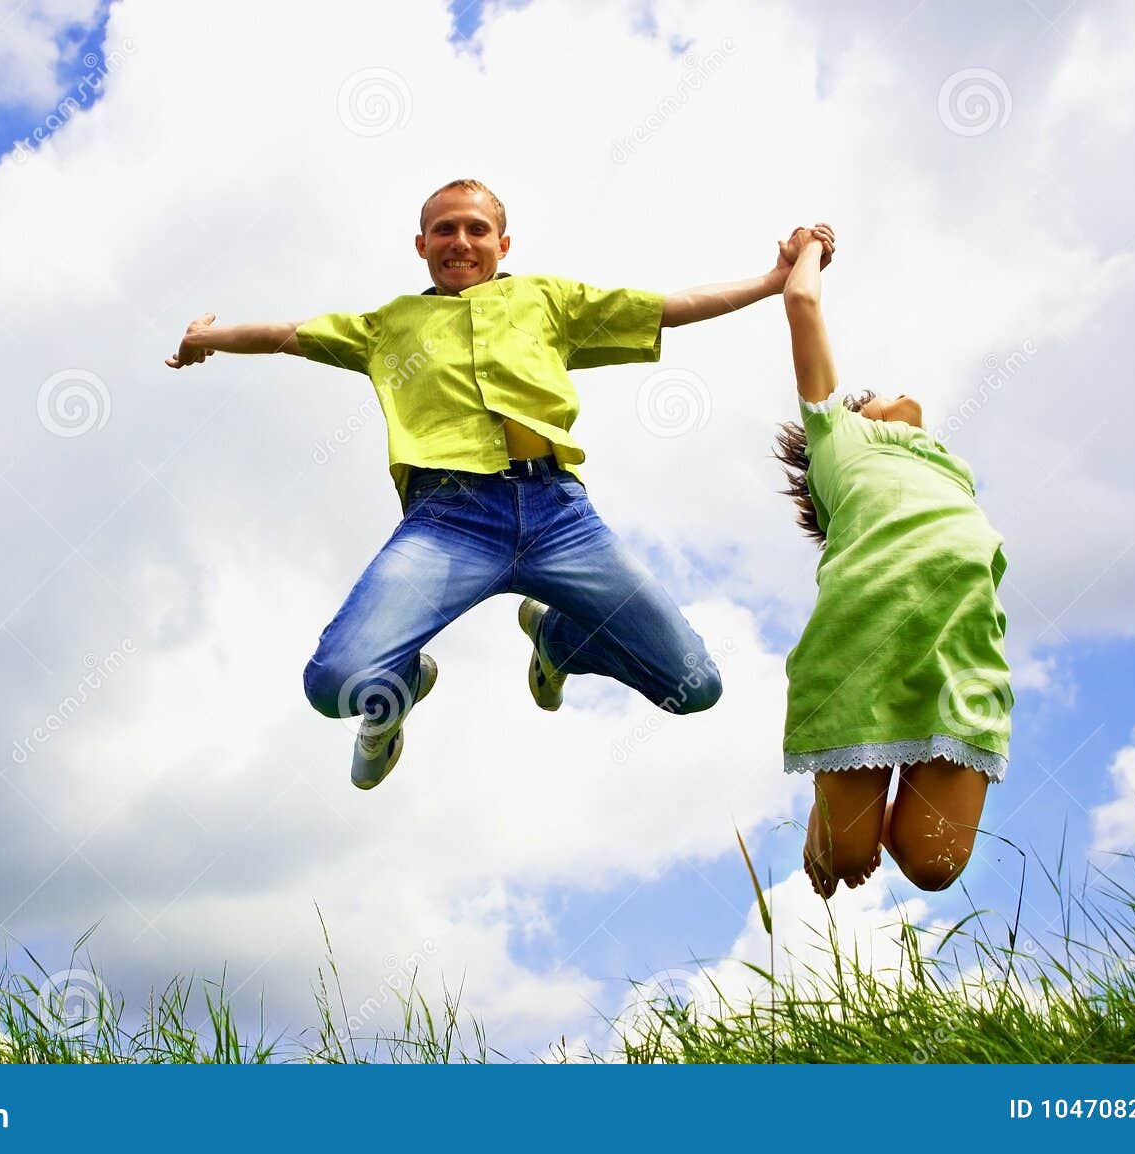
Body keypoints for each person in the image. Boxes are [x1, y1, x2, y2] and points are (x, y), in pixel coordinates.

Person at [167, 178, 798, 789]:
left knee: (695, 685)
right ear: (421, 245)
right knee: (334, 683)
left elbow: (670, 307)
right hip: (450, 521)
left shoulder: (548, 300)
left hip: (559, 518)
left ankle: (558, 640)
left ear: (503, 244)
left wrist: (772, 282)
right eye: (445, 230)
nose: (460, 241)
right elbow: (286, 336)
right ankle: (401, 689)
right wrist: (208, 339)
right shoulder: (389, 324)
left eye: (477, 229)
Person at [774, 223, 1013, 896]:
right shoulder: (835, 434)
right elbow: (802, 305)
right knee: (845, 863)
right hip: (863, 636)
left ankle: (863, 809)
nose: (892, 393)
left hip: (961, 639)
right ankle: (826, 827)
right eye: (870, 395)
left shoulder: (951, 469)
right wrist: (811, 248)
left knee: (932, 867)